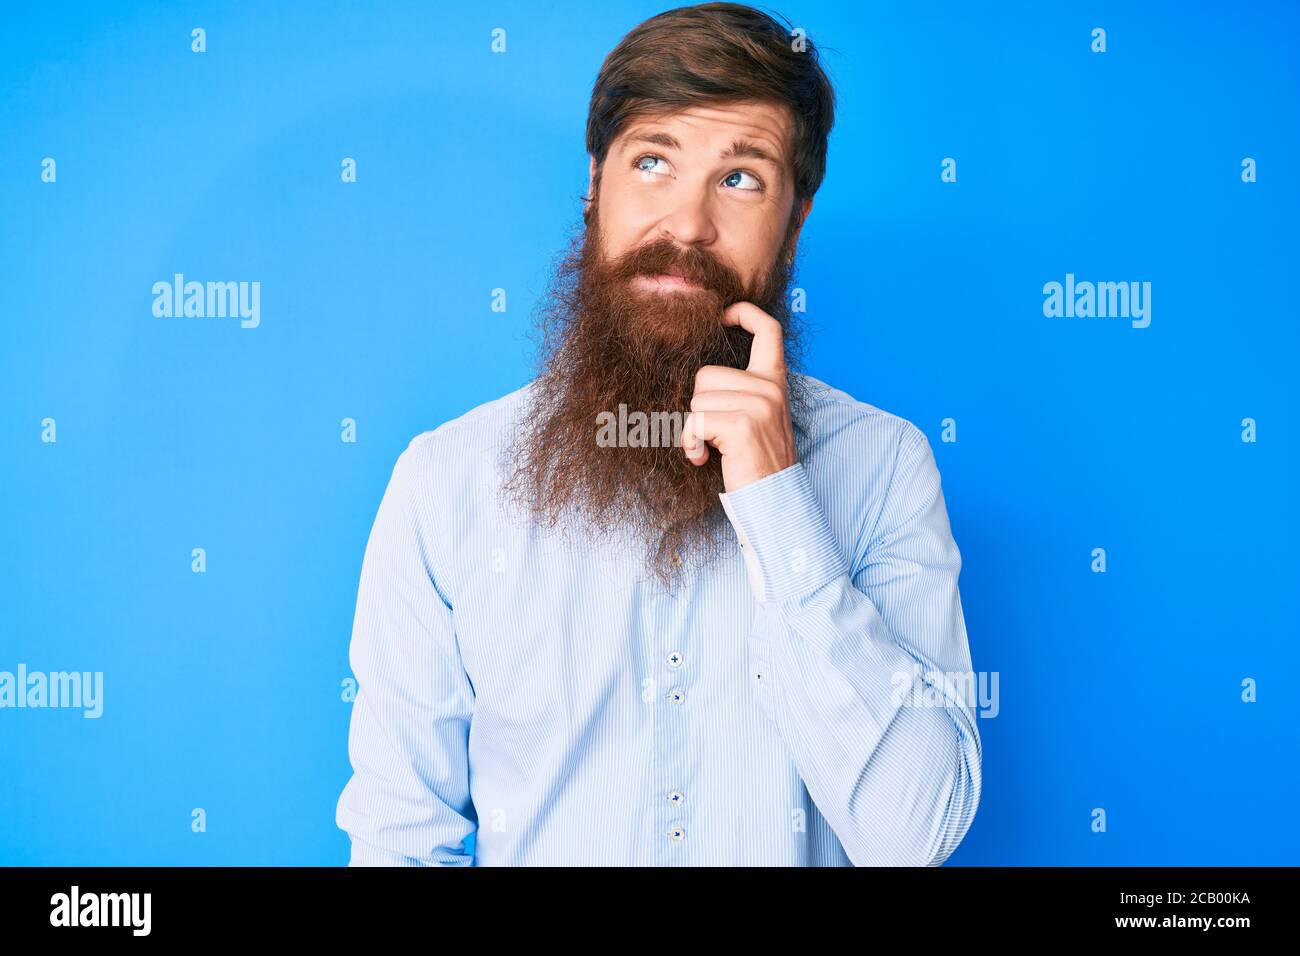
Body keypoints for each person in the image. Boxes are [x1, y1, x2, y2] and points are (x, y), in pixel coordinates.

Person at [335, 1, 982, 866]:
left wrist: (779, 503)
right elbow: (400, 846)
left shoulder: (884, 465)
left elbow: (915, 836)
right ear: (595, 186)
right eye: (653, 163)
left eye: (741, 177)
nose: (686, 225)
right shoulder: (445, 483)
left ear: (795, 223)